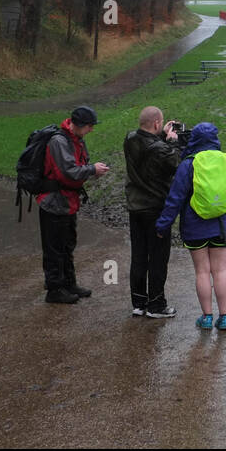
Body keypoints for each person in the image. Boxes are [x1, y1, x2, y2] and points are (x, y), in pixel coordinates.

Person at [156, 122, 226, 331]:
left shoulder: (188, 164)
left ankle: (206, 317)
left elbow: (175, 198)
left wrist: (163, 225)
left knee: (202, 272)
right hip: (221, 226)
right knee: (220, 270)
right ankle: (224, 317)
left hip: (195, 227)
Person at [38, 105, 109, 304]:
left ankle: (69, 283)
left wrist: (92, 170)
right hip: (53, 203)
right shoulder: (59, 142)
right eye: (89, 126)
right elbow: (68, 172)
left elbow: (79, 168)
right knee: (54, 248)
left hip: (68, 201)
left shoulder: (76, 140)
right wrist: (91, 170)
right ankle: (54, 289)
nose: (91, 129)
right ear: (78, 125)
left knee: (68, 244)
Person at [123, 106, 183, 318]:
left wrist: (162, 136)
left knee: (139, 256)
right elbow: (174, 162)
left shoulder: (130, 139)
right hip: (155, 208)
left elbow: (150, 146)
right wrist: (173, 141)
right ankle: (157, 305)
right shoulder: (161, 149)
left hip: (135, 207)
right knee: (157, 257)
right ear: (157, 124)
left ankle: (139, 303)